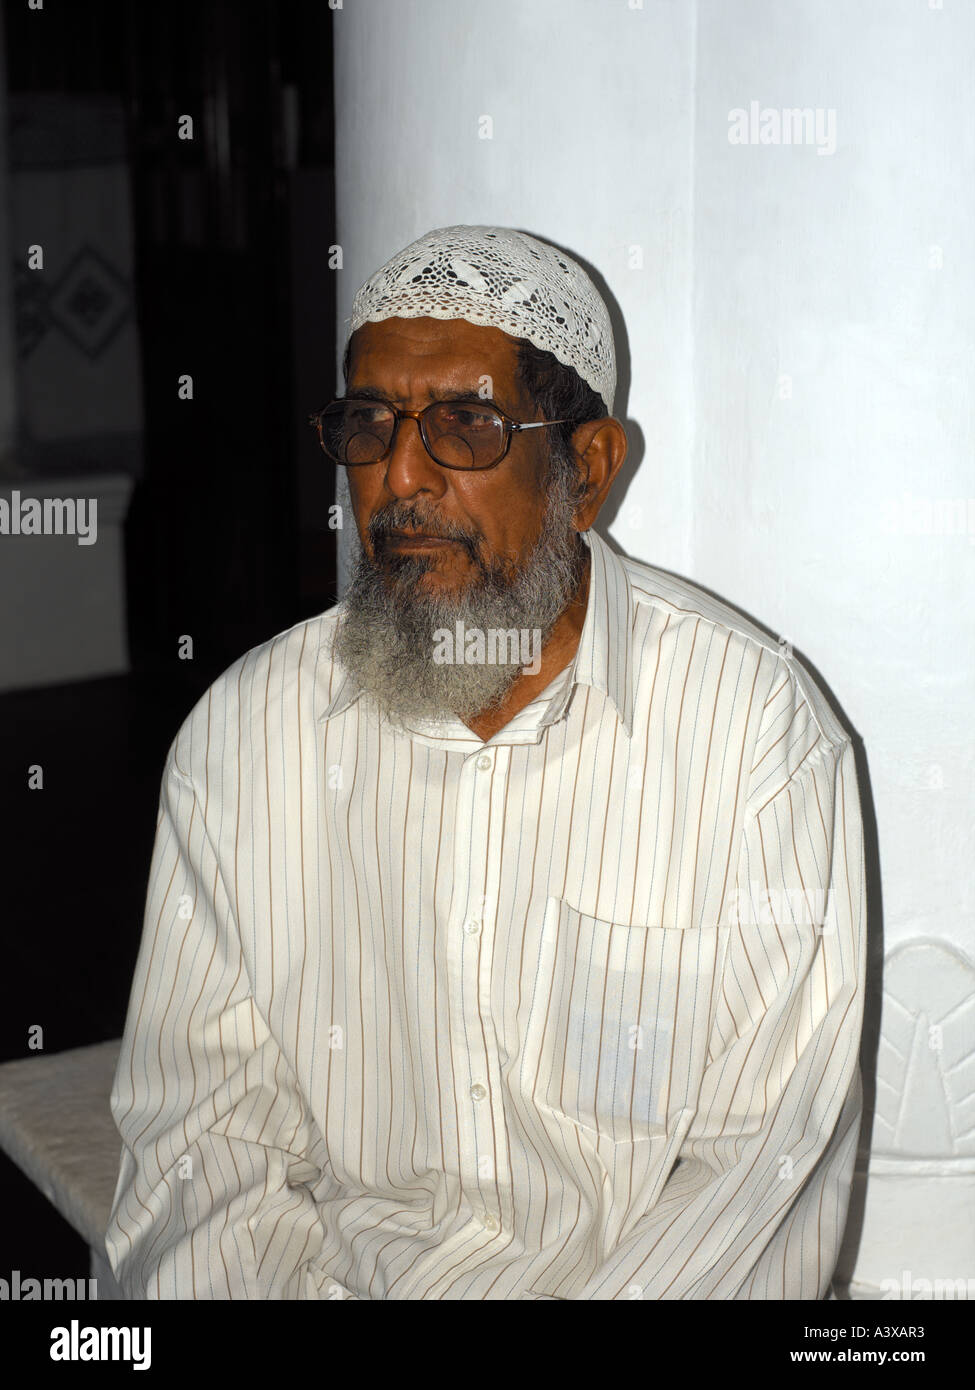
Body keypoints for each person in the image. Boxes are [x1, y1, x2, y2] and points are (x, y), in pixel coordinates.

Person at [105, 225, 866, 1299]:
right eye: (369, 424)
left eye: (464, 424)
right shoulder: (245, 743)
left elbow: (757, 1183)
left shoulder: (752, 741)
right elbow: (203, 1152)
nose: (399, 476)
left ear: (587, 468)